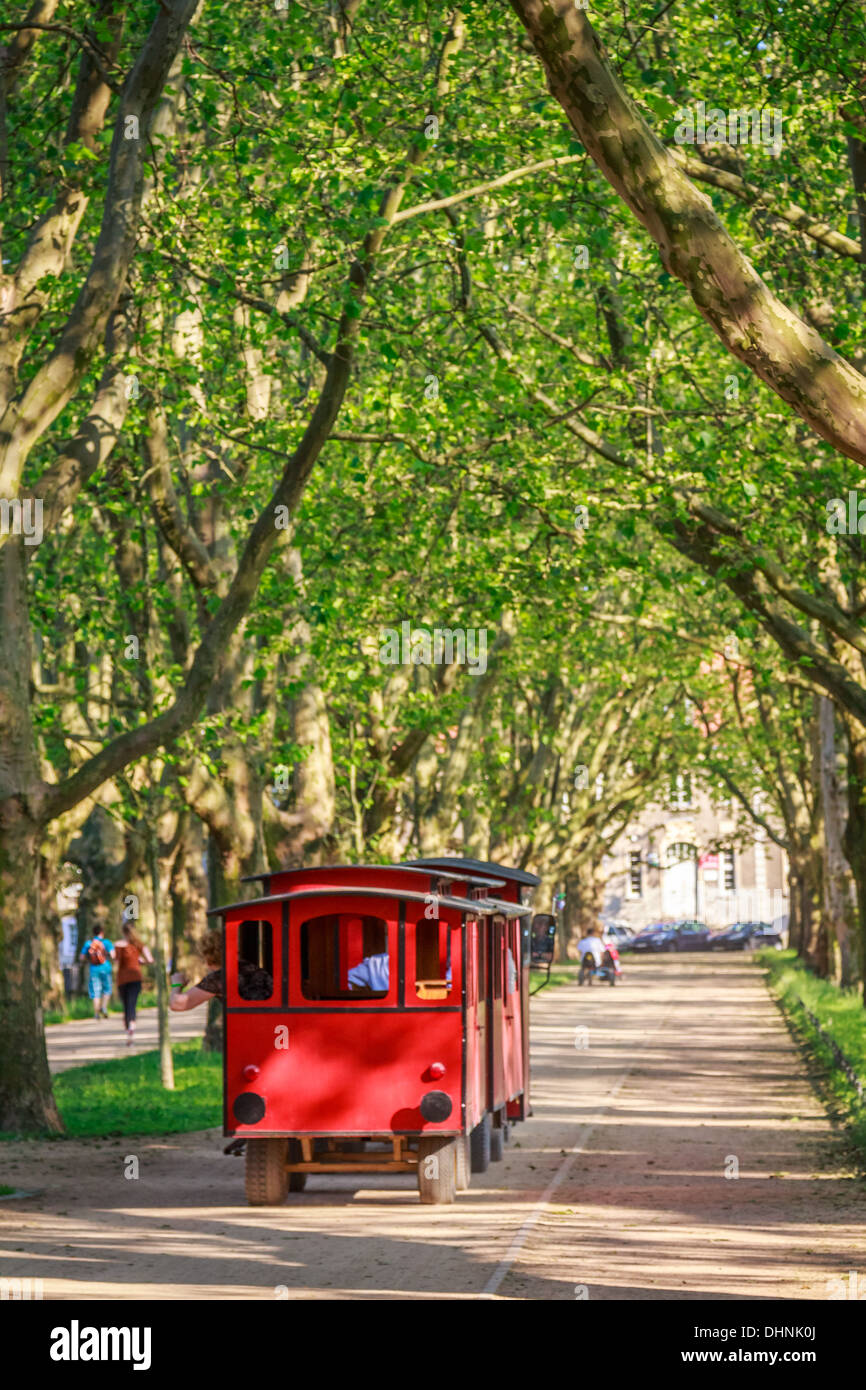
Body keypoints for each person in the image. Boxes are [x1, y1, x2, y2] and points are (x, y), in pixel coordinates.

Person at [169, 928, 273, 1011]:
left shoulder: (220, 978)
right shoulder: (249, 967)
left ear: (206, 957)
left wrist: (177, 984)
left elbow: (177, 1004)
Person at [113, 923, 153, 1046]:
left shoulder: (118, 945)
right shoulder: (139, 944)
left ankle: (128, 1028)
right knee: (132, 1004)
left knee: (126, 1005)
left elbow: (115, 960)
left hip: (122, 979)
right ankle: (131, 1029)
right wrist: (140, 961)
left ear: (122, 932)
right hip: (135, 977)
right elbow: (150, 959)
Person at [79, 923, 114, 1019]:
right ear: (102, 932)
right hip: (106, 968)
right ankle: (104, 1007)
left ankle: (96, 1013)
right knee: (107, 989)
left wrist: (88, 960)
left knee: (95, 990)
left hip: (94, 969)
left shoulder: (88, 944)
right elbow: (113, 955)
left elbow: (81, 957)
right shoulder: (107, 942)